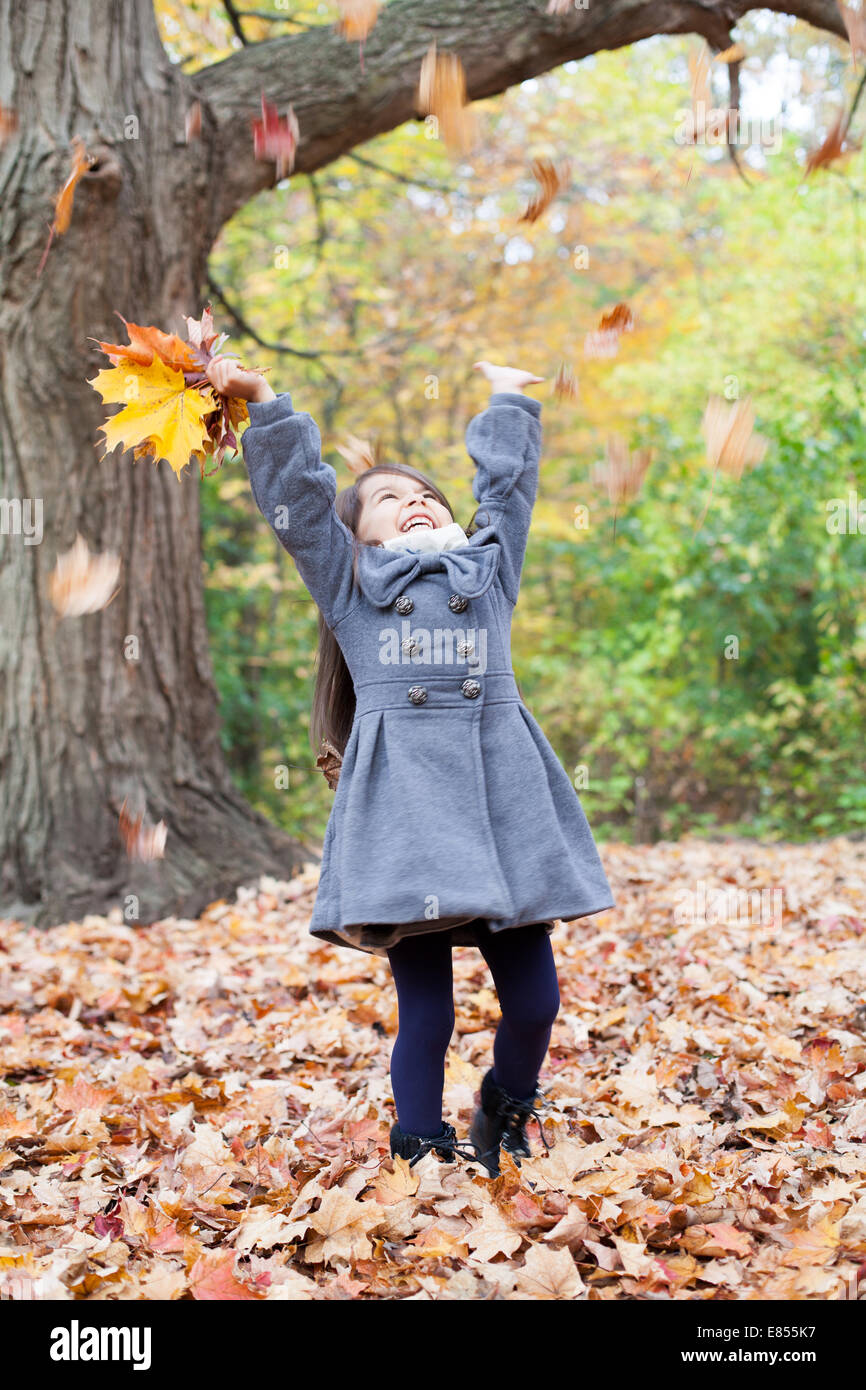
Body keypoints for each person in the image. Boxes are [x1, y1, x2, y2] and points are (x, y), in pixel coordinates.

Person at [205, 353, 616, 1177]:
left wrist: (507, 396)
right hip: (407, 822)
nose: (415, 501)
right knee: (425, 1013)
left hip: (504, 810)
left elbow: (507, 495)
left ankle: (506, 1099)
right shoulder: (351, 587)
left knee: (537, 1000)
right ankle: (421, 1146)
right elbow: (299, 508)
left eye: (425, 492)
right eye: (389, 499)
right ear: (357, 533)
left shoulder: (487, 574)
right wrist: (263, 401)